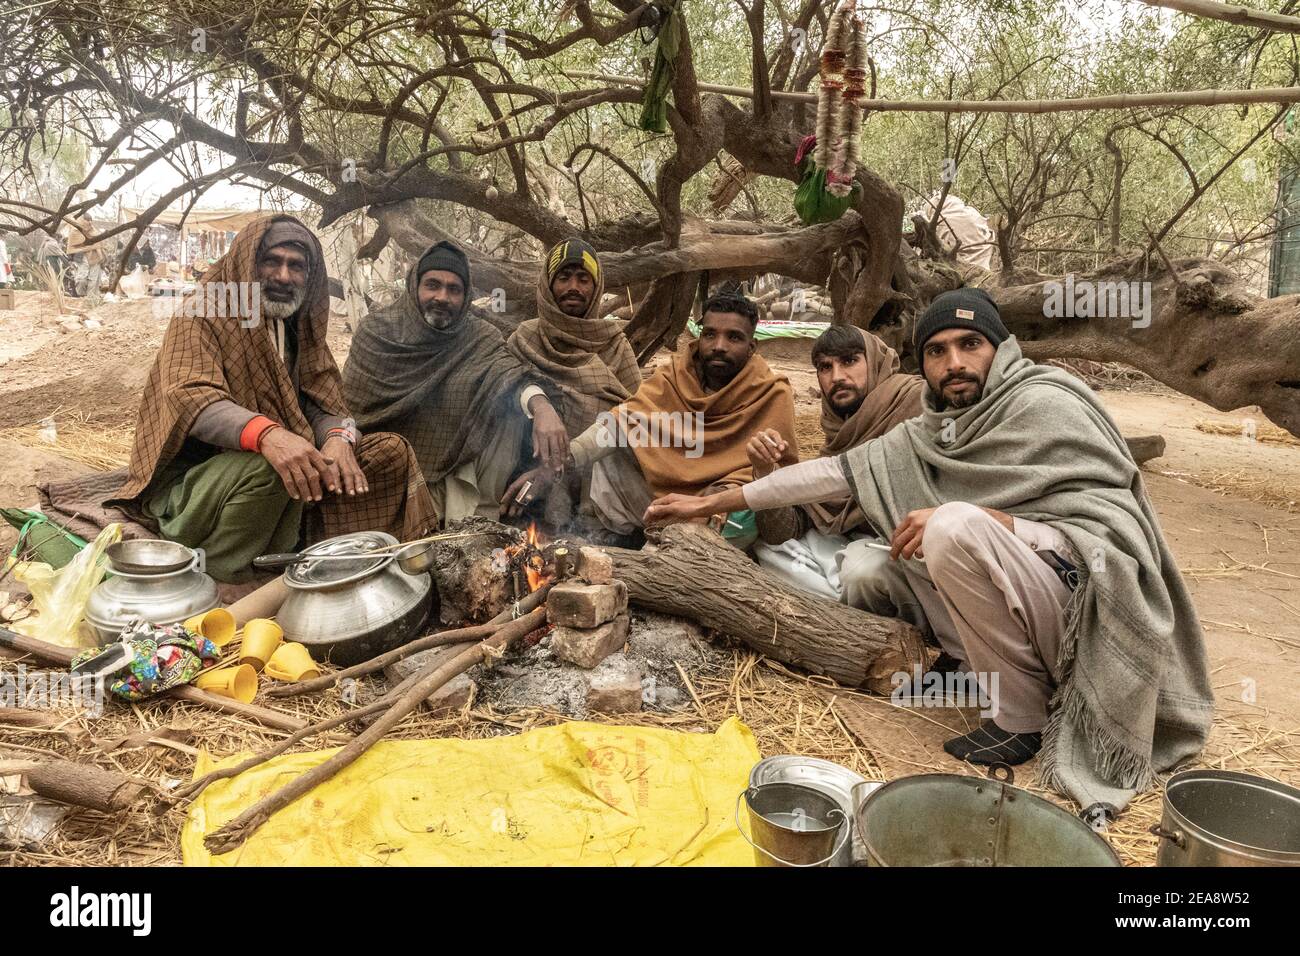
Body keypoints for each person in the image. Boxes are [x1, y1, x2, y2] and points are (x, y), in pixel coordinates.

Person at [644, 287, 1212, 814]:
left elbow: (1107, 531)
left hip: (1081, 612)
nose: (954, 363)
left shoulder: (1045, 401)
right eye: (937, 351)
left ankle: (1020, 718)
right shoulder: (931, 430)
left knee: (945, 528)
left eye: (970, 345)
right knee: (904, 547)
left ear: (1001, 348)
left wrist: (995, 521)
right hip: (1026, 603)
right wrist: (705, 505)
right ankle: (984, 676)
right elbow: (832, 474)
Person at [110, 215, 436, 583]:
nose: (283, 276)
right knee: (277, 464)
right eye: (272, 261)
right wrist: (269, 436)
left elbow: (326, 401)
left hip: (279, 483)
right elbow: (191, 397)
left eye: (296, 266)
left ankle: (327, 556)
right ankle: (224, 574)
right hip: (194, 488)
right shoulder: (203, 311)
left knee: (389, 452)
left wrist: (338, 438)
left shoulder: (295, 325)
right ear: (248, 262)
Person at [343, 240, 569, 523]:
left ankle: (481, 523)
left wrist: (542, 407)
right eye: (433, 285)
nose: (442, 297)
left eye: (454, 289)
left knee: (510, 406)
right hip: (389, 470)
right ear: (415, 287)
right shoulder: (376, 333)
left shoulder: (479, 335)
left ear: (465, 297)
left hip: (461, 468)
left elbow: (512, 372)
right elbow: (348, 411)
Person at [566, 290, 799, 538]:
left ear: (752, 346)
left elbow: (775, 475)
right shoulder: (674, 376)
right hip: (660, 497)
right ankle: (620, 536)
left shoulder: (772, 393)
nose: (719, 346)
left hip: (722, 507)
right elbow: (623, 419)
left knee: (747, 513)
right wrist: (568, 457)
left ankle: (679, 546)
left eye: (733, 337)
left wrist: (711, 502)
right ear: (700, 337)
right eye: (710, 334)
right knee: (610, 449)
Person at [747, 325, 923, 601]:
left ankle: (837, 603)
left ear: (875, 361)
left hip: (913, 545)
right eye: (825, 367)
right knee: (766, 548)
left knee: (863, 573)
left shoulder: (915, 403)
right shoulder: (838, 434)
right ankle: (841, 602)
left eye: (849, 361)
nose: (836, 377)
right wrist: (764, 471)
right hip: (856, 545)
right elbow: (781, 531)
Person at [503, 238, 641, 523]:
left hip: (598, 491)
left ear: (596, 287)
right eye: (564, 278)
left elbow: (637, 413)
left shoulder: (614, 342)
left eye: (583, 279)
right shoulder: (525, 338)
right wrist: (541, 405)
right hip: (525, 477)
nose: (574, 288)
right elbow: (506, 382)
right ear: (548, 285)